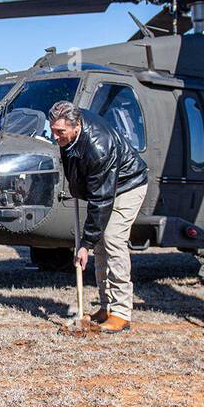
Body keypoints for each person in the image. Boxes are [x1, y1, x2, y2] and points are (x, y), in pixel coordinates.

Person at [49, 101, 148, 333]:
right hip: (106, 187)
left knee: (112, 239)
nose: (55, 136)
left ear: (76, 126)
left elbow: (101, 201)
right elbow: (72, 164)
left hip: (127, 185)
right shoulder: (69, 135)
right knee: (101, 244)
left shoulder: (99, 146)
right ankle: (106, 306)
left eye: (60, 132)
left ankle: (121, 312)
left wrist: (84, 244)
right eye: (52, 129)